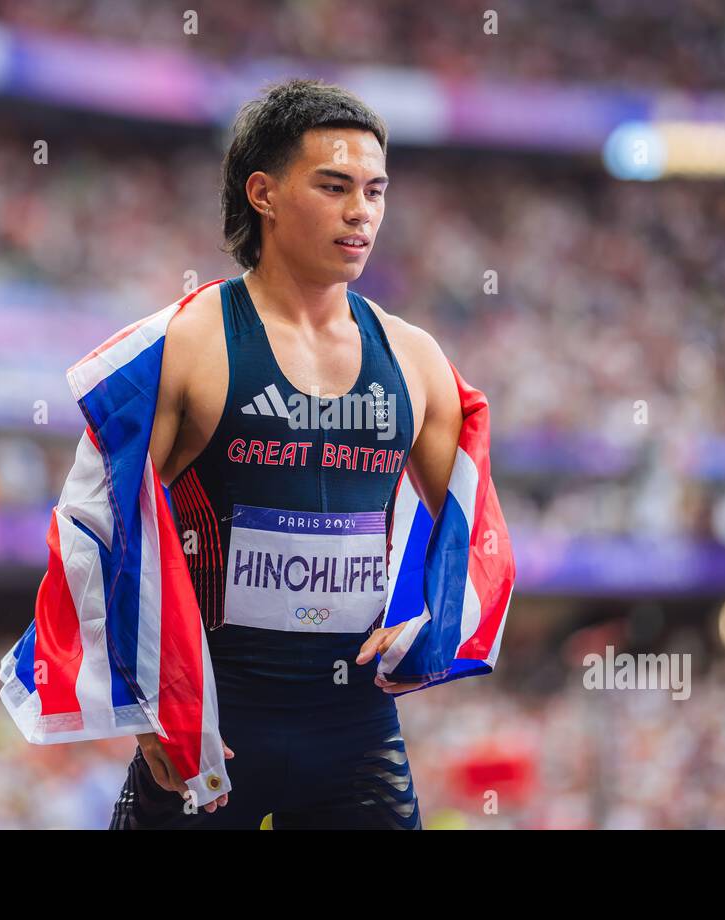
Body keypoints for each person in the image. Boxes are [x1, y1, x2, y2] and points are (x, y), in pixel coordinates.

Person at [109, 78, 469, 829]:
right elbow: (104, 527)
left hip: (355, 728)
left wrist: (435, 612)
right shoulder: (192, 342)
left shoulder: (415, 359)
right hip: (212, 722)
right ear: (264, 194)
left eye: (375, 190)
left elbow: (475, 524)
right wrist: (147, 707)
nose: (360, 211)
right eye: (334, 186)